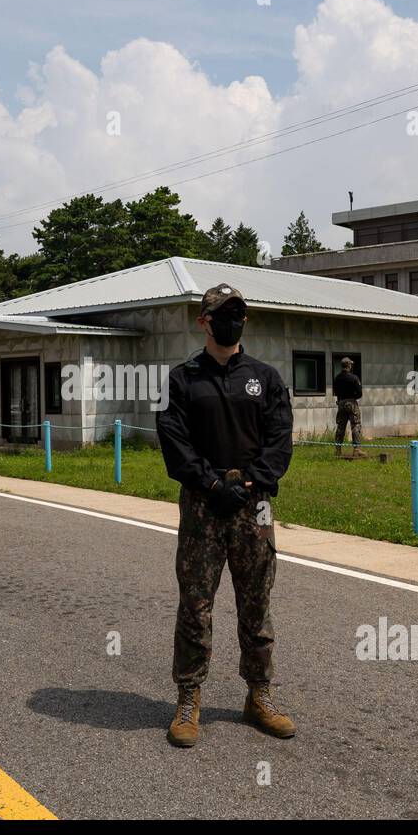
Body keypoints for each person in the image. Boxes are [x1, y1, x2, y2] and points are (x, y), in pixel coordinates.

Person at [156, 283, 295, 748]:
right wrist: (213, 484)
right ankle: (189, 698)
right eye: (221, 313)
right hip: (202, 505)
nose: (231, 320)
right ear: (203, 320)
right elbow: (175, 444)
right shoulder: (181, 380)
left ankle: (259, 696)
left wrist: (249, 482)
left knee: (256, 603)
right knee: (196, 604)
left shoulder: (267, 378)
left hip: (252, 507)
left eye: (238, 313)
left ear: (245, 320)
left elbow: (280, 442)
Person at [332, 357, 366, 458]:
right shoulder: (354, 378)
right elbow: (360, 393)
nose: (351, 366)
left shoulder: (337, 378)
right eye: (350, 364)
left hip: (341, 403)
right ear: (348, 365)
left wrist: (341, 399)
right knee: (355, 425)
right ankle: (356, 449)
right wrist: (352, 397)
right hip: (352, 403)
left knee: (341, 426)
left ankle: (338, 449)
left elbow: (336, 392)